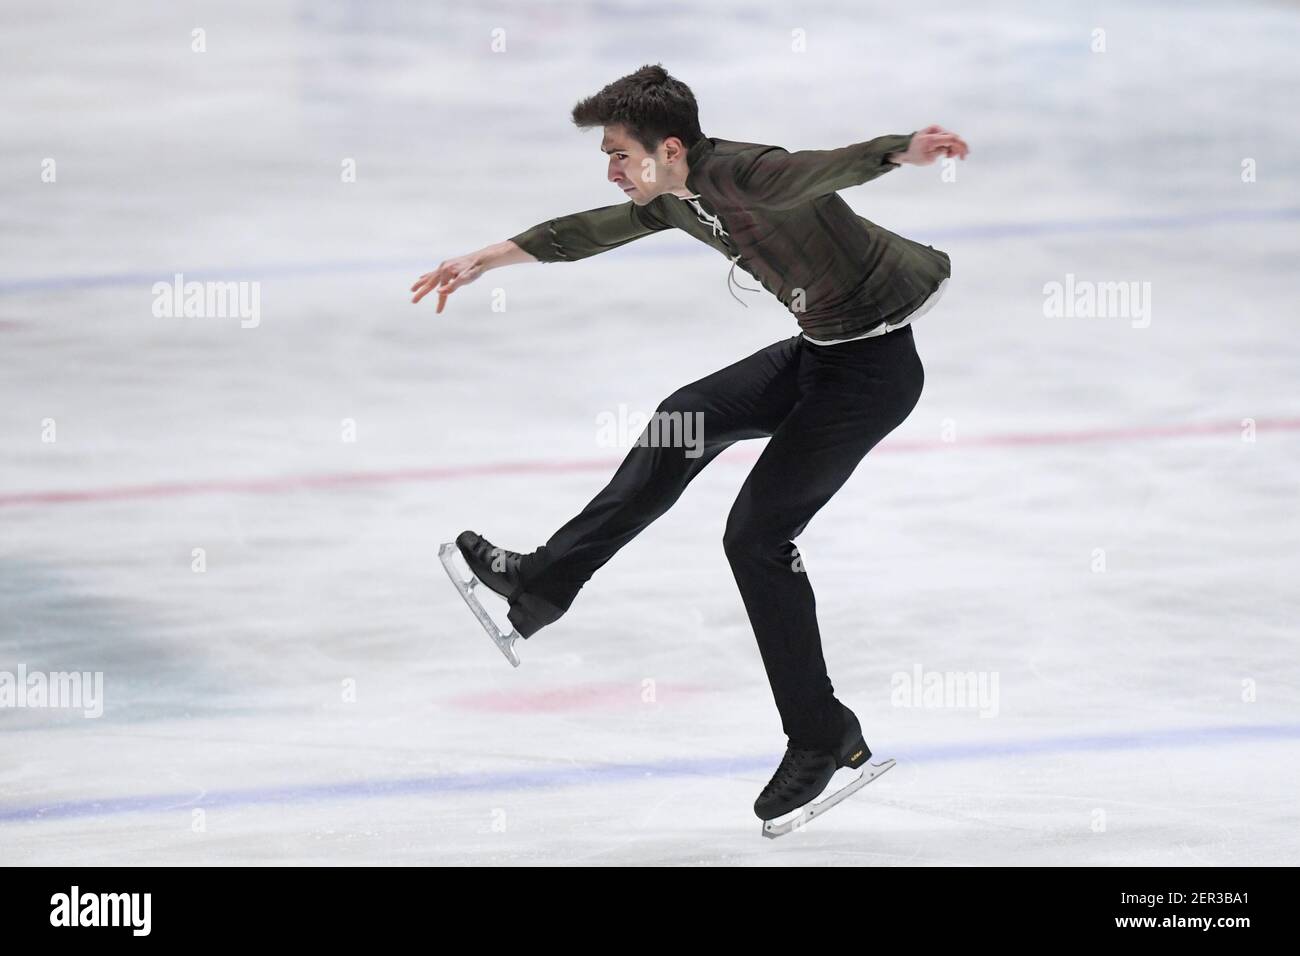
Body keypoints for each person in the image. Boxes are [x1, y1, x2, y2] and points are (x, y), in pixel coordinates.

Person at [412, 63, 968, 823]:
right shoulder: (677, 197)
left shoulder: (744, 174)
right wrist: (487, 257)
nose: (610, 171)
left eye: (618, 154)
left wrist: (902, 149)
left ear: (669, 148)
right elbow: (587, 232)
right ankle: (544, 583)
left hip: (869, 376)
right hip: (822, 355)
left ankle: (822, 734)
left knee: (755, 539)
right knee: (686, 418)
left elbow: (820, 167)